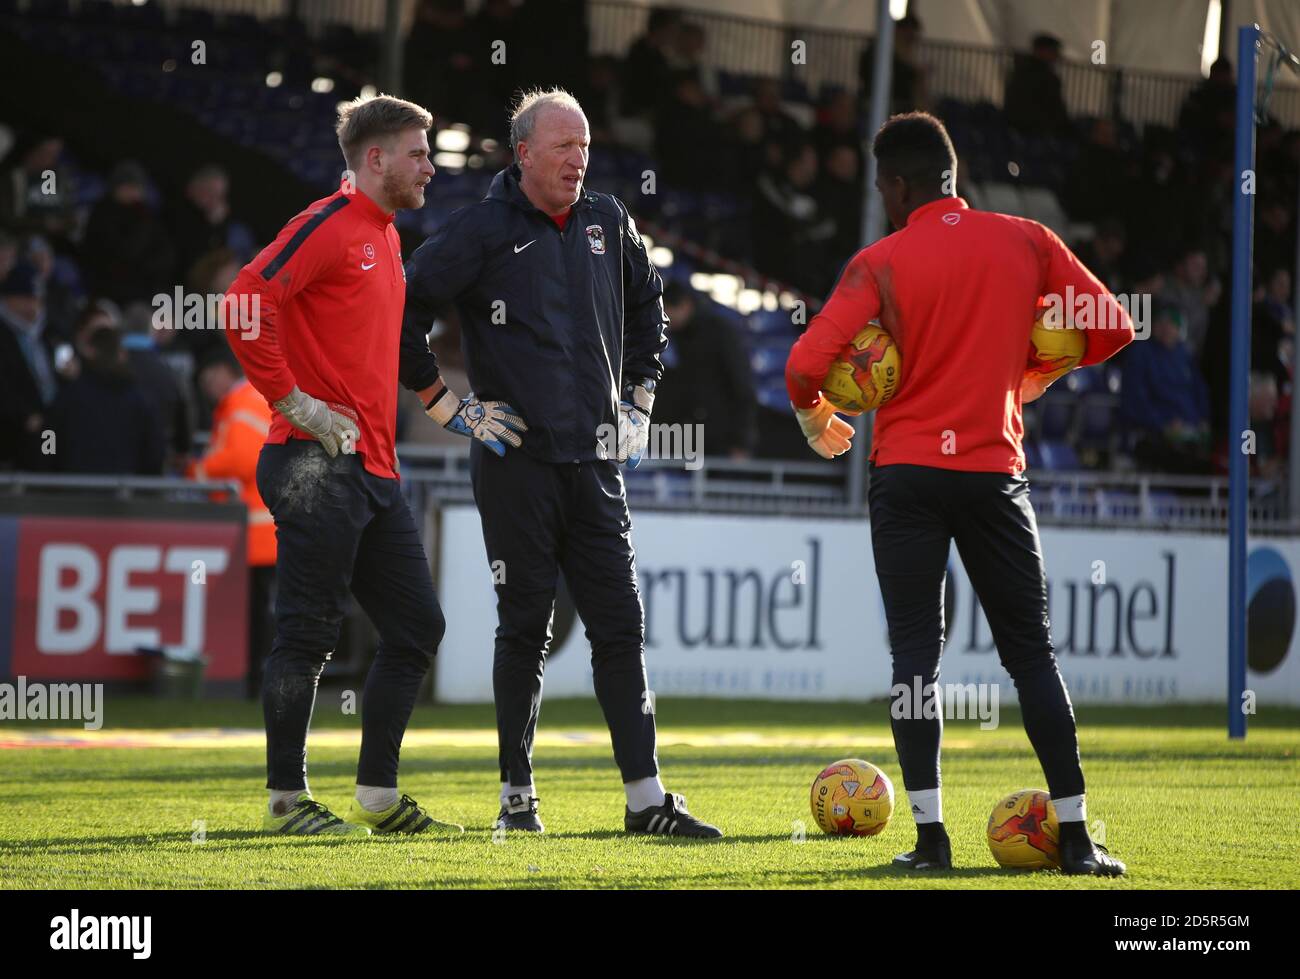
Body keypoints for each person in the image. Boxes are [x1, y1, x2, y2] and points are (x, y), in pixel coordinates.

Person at [784, 112, 1133, 875]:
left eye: (882, 187)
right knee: (1032, 656)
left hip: (906, 476)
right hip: (993, 473)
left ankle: (930, 841)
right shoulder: (1029, 240)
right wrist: (1034, 372)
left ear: (897, 185)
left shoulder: (879, 260)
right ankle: (1075, 837)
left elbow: (806, 362)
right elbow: (1112, 326)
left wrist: (817, 418)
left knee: (915, 659)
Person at [402, 88, 722, 838]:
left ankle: (646, 800)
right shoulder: (480, 228)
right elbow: (401, 306)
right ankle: (518, 799)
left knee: (621, 626)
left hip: (597, 465)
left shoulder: (610, 221)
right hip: (516, 465)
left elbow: (651, 311)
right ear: (523, 153)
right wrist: (449, 407)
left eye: (584, 146)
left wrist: (640, 403)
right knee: (524, 626)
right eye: (563, 147)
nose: (578, 159)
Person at [222, 94, 460, 838]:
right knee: (307, 633)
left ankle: (378, 796)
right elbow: (243, 300)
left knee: (418, 625)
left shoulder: (386, 238)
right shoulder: (328, 223)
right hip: (313, 461)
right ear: (377, 158)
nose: (431, 166)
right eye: (419, 152)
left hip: (373, 469)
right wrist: (295, 403)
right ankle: (286, 802)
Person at [189, 348, 277, 697]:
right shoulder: (255, 398)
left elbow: (240, 460)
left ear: (226, 371)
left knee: (255, 612)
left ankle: (255, 681)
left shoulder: (241, 401)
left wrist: (196, 471)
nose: (208, 387)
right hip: (264, 526)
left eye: (209, 378)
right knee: (261, 610)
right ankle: (258, 680)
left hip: (254, 530)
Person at [655, 281, 757, 458]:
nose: (667, 320)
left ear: (685, 305)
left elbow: (742, 387)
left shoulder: (721, 332)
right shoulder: (675, 338)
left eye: (669, 313)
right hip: (688, 438)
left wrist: (741, 441)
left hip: (721, 439)